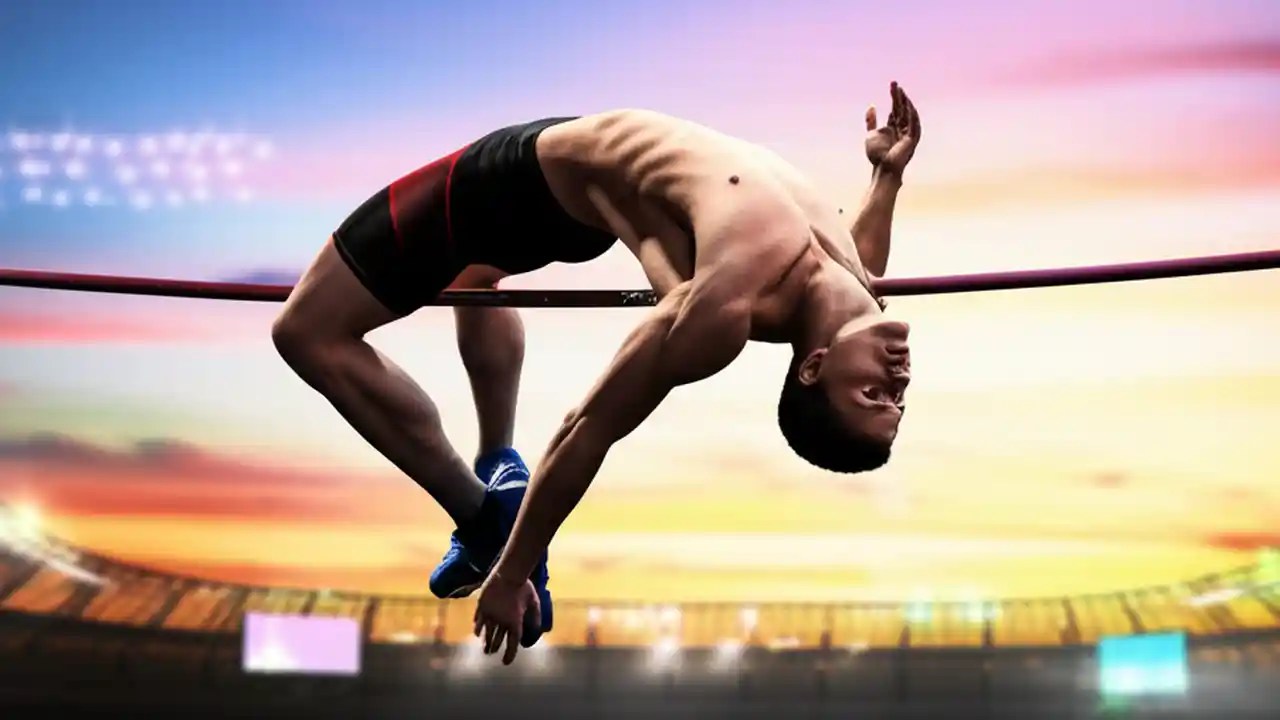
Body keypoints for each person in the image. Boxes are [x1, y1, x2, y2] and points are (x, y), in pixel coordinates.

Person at [272, 82, 921, 659]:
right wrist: (885, 177)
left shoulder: (728, 302)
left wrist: (509, 573)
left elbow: (590, 426)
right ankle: (499, 462)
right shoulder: (847, 277)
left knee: (306, 332)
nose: (898, 381)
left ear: (813, 366)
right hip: (586, 191)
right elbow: (866, 259)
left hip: (517, 182)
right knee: (476, 276)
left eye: (873, 395)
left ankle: (482, 516)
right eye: (897, 399)